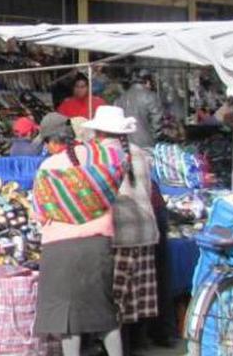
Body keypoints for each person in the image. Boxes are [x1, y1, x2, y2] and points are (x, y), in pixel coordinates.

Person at [32, 111, 124, 356]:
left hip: (60, 247)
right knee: (103, 312)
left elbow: (41, 212)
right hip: (98, 243)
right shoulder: (100, 157)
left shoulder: (48, 167)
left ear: (52, 142)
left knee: (67, 317)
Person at [84, 106, 161, 350]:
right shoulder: (138, 152)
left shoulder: (95, 155)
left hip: (119, 232)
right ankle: (133, 346)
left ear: (98, 131)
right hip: (146, 231)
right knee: (132, 299)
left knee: (112, 301)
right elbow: (146, 191)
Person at [114, 69, 164, 150]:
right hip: (146, 144)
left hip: (125, 144)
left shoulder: (121, 98)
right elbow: (157, 122)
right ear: (147, 82)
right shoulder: (150, 96)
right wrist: (154, 137)